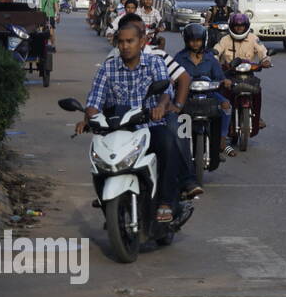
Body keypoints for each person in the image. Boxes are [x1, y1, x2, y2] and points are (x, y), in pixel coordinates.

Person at [80, 14, 201, 223]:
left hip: (149, 127)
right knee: (97, 153)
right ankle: (104, 199)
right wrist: (89, 118)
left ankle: (166, 201)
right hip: (118, 132)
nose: (125, 46)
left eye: (130, 41)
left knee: (167, 141)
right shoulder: (108, 68)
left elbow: (166, 90)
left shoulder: (155, 62)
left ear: (142, 42)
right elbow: (94, 101)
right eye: (121, 42)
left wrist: (162, 107)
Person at [176, 22, 236, 159]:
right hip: (187, 94)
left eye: (198, 40)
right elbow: (172, 74)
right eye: (192, 41)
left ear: (203, 41)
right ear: (187, 41)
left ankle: (221, 139)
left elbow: (219, 77)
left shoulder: (210, 58)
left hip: (209, 94)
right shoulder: (179, 57)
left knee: (226, 105)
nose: (195, 44)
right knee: (173, 111)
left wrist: (224, 81)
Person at [213, 12, 271, 138]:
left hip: (248, 73)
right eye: (236, 26)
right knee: (223, 92)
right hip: (229, 73)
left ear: (246, 26)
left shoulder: (253, 38)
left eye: (242, 26)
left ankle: (256, 118)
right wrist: (214, 59)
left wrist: (265, 60)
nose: (239, 28)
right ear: (232, 26)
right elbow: (216, 51)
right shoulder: (225, 39)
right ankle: (221, 120)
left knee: (257, 91)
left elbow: (262, 51)